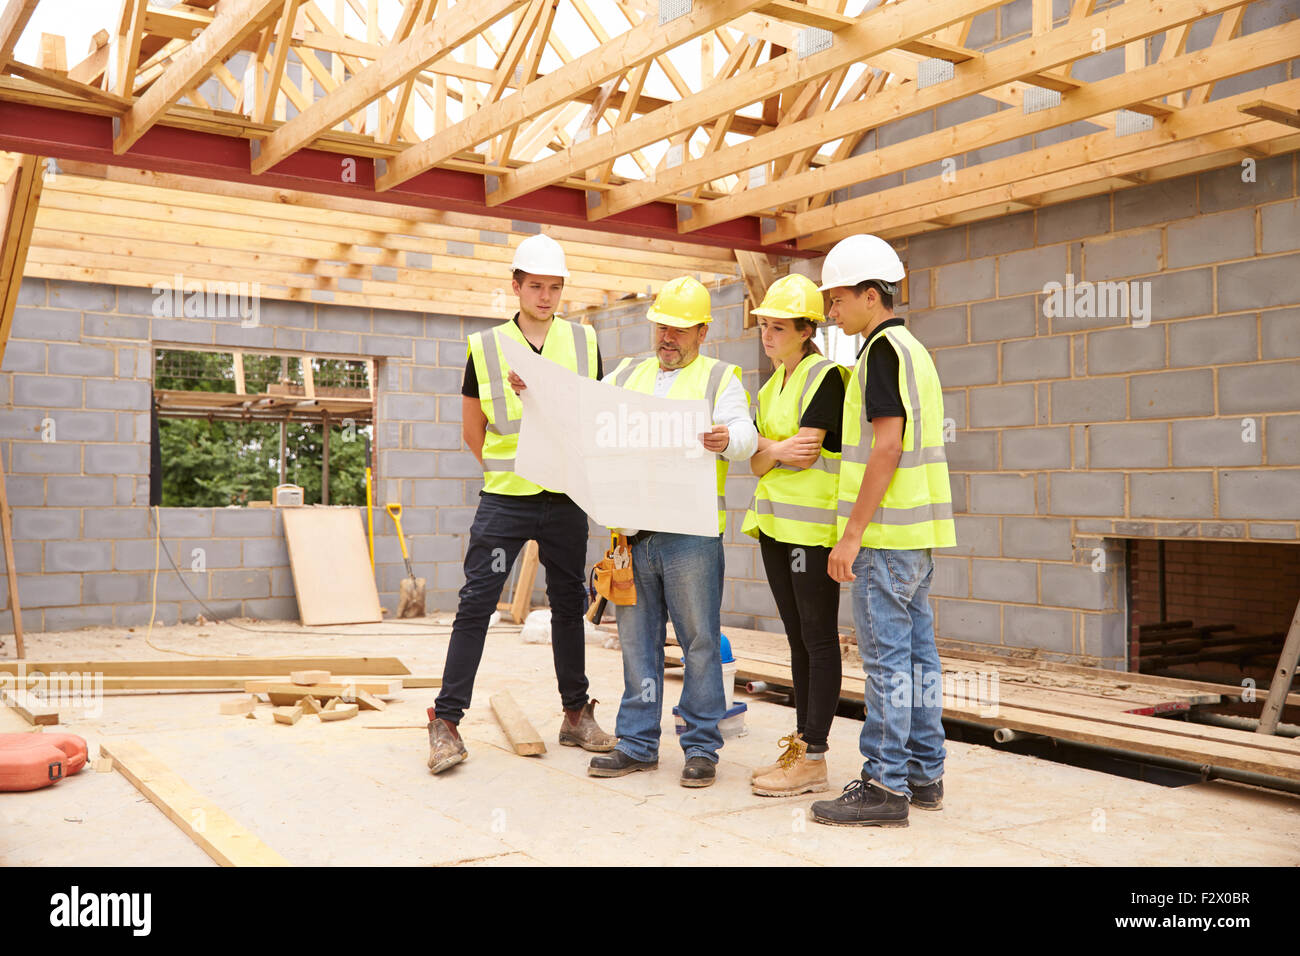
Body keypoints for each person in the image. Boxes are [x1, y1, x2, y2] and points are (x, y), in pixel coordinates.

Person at [426, 233, 617, 774]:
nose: (546, 297)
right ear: (515, 286)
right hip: (506, 497)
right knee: (476, 604)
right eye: (536, 286)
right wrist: (505, 472)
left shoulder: (584, 341)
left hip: (564, 497)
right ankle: (445, 722)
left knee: (567, 604)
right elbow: (473, 431)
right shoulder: (485, 347)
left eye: (555, 288)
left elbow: (594, 415)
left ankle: (575, 714)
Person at [585, 276, 758, 788]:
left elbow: (746, 436)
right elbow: (585, 412)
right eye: (663, 326)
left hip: (691, 536)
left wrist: (729, 439)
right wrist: (536, 394)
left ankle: (701, 747)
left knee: (699, 642)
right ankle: (637, 744)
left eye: (680, 330)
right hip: (634, 536)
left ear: (703, 331)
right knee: (638, 645)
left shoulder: (719, 379)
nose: (668, 337)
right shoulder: (626, 373)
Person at [809, 234, 957, 827]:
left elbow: (887, 447)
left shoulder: (880, 354)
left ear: (872, 295)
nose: (831, 312)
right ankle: (924, 774)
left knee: (889, 664)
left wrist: (851, 535)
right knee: (918, 660)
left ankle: (883, 784)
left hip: (885, 541)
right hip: (915, 538)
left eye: (838, 298)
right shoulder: (914, 350)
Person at [740, 274, 846, 797]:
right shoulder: (769, 386)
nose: (767, 334)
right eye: (764, 325)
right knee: (798, 640)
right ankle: (803, 748)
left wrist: (770, 447)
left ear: (806, 330)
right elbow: (756, 464)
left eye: (778, 327)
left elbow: (804, 450)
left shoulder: (826, 377)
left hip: (811, 531)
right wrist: (773, 450)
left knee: (819, 639)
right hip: (775, 527)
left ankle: (816, 756)